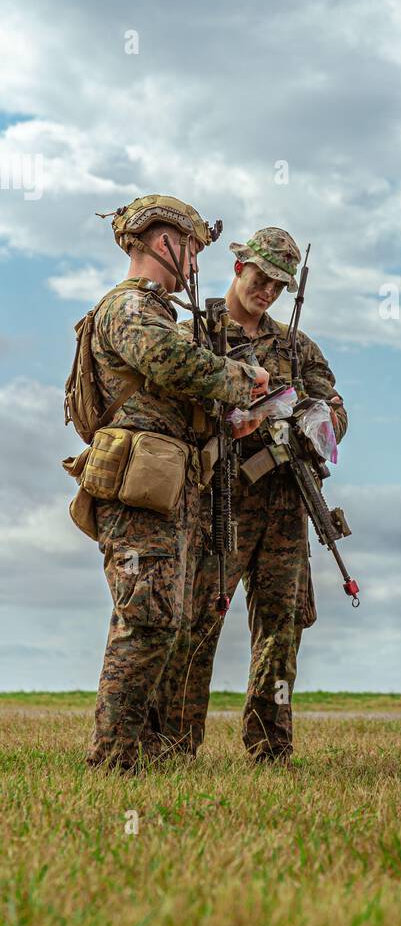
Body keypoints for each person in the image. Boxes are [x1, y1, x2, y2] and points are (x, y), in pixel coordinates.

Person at [71, 195, 269, 771]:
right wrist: (243, 379)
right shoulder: (131, 308)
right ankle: (112, 763)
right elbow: (171, 361)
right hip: (139, 490)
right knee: (146, 620)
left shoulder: (154, 311)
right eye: (191, 249)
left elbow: (175, 392)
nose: (193, 262)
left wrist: (233, 416)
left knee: (167, 620)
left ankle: (143, 756)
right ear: (166, 244)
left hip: (165, 488)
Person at [156, 226, 347, 764]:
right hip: (224, 498)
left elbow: (337, 408)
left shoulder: (297, 346)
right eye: (260, 278)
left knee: (282, 629)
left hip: (287, 503)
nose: (267, 291)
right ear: (240, 269)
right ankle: (174, 744)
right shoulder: (198, 335)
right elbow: (173, 402)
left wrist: (319, 420)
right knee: (197, 623)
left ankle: (270, 747)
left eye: (278, 286)